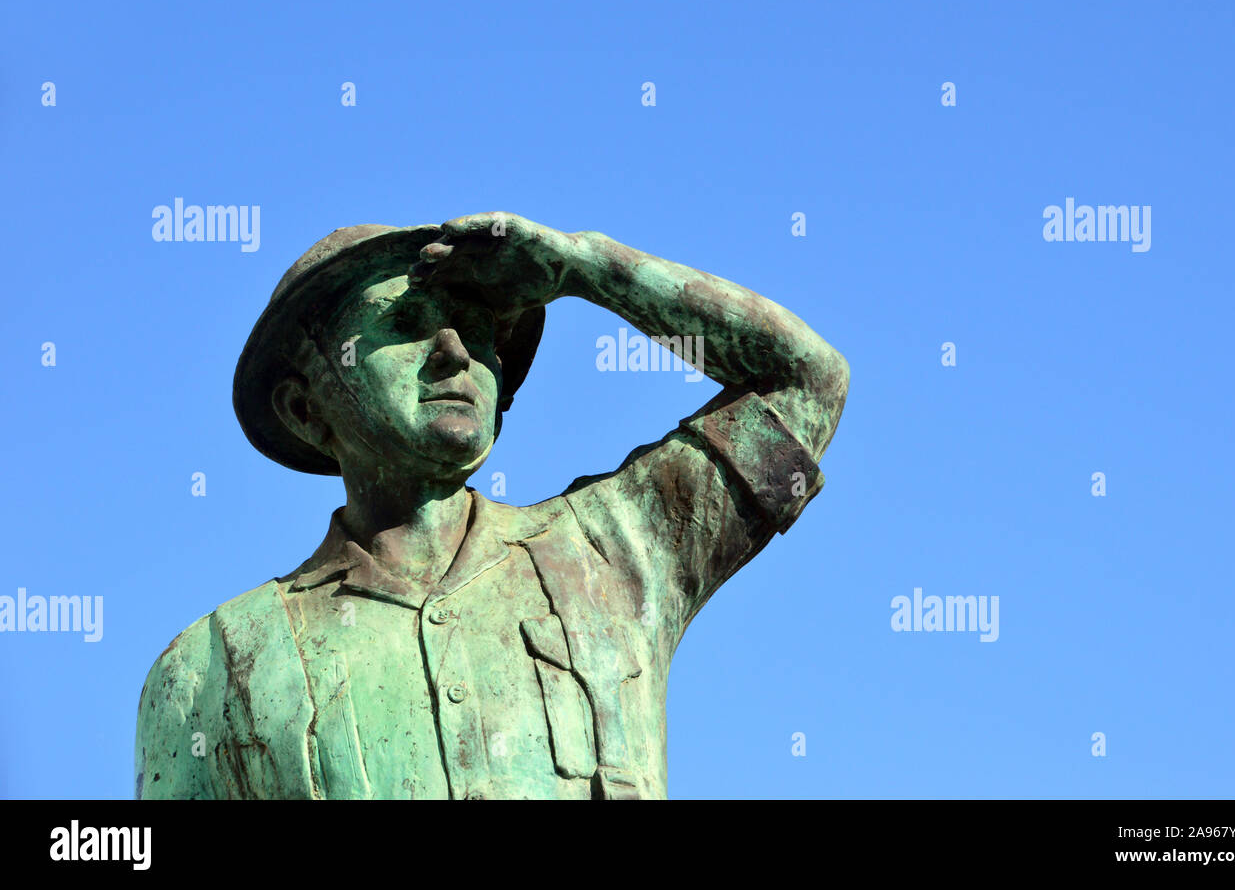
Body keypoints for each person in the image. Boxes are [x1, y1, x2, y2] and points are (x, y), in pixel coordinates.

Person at [135, 212, 849, 799]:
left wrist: (582, 266)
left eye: (478, 330)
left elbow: (809, 379)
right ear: (304, 408)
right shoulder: (210, 670)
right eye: (410, 323)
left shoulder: (612, 550)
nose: (454, 352)